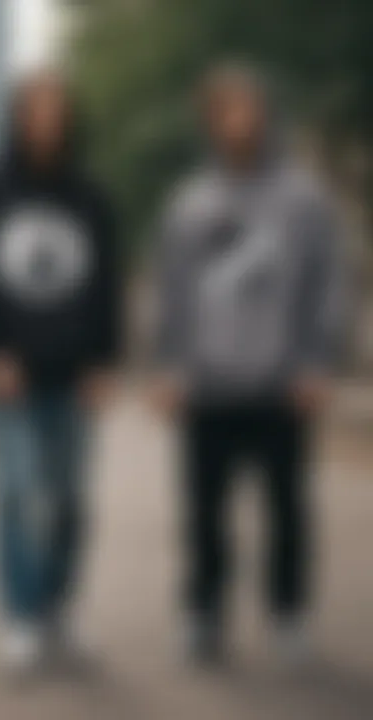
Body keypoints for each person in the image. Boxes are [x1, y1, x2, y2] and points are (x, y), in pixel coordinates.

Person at [150, 63, 344, 666]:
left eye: (248, 109)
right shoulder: (188, 203)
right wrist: (167, 364)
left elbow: (330, 282)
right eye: (225, 111)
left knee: (288, 511)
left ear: (265, 116)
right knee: (204, 513)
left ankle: (288, 616)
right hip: (207, 386)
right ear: (211, 122)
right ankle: (204, 614)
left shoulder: (303, 199)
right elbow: (171, 289)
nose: (239, 121)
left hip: (281, 384)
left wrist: (318, 362)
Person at [0, 71, 120, 675]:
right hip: (8, 377)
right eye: (35, 110)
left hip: (75, 375)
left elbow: (106, 285)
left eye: (57, 109)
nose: (46, 121)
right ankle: (21, 616)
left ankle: (59, 608)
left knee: (72, 500)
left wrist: (105, 362)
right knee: (18, 496)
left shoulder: (90, 197)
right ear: (18, 118)